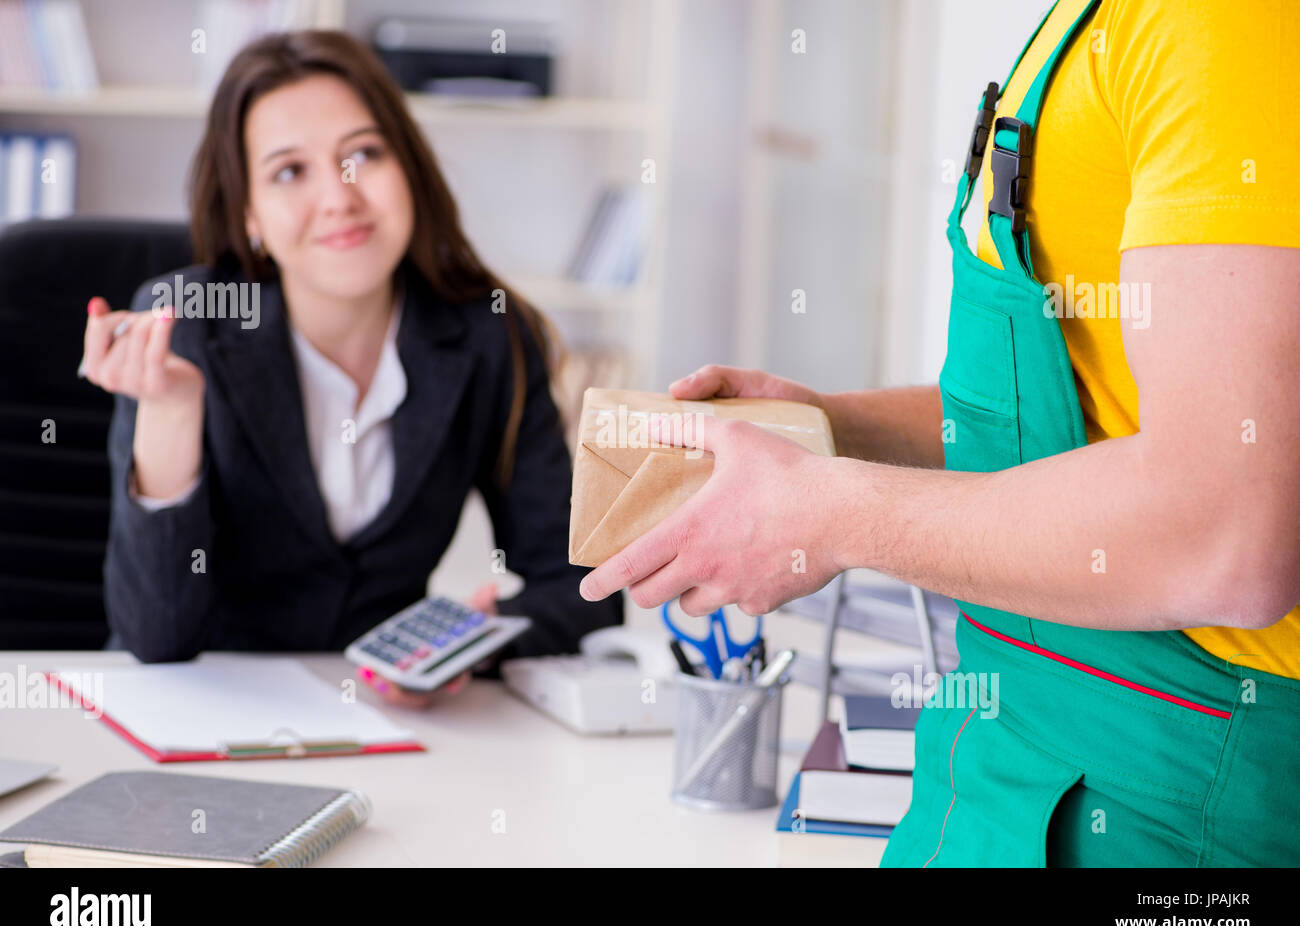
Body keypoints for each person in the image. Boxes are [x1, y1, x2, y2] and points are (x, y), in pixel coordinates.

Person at [579, 0, 1300, 865]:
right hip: (1014, 759)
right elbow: (1056, 423)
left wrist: (830, 515)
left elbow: (1226, 531)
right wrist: (823, 430)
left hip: (1168, 805)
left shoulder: (1225, 22)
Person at [83, 31, 622, 707]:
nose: (339, 197)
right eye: (289, 171)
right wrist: (169, 413)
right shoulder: (184, 322)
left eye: (362, 154)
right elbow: (156, 639)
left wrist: (479, 642)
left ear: (409, 169)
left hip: (395, 724)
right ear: (249, 213)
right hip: (205, 718)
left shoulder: (487, 333)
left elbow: (585, 588)